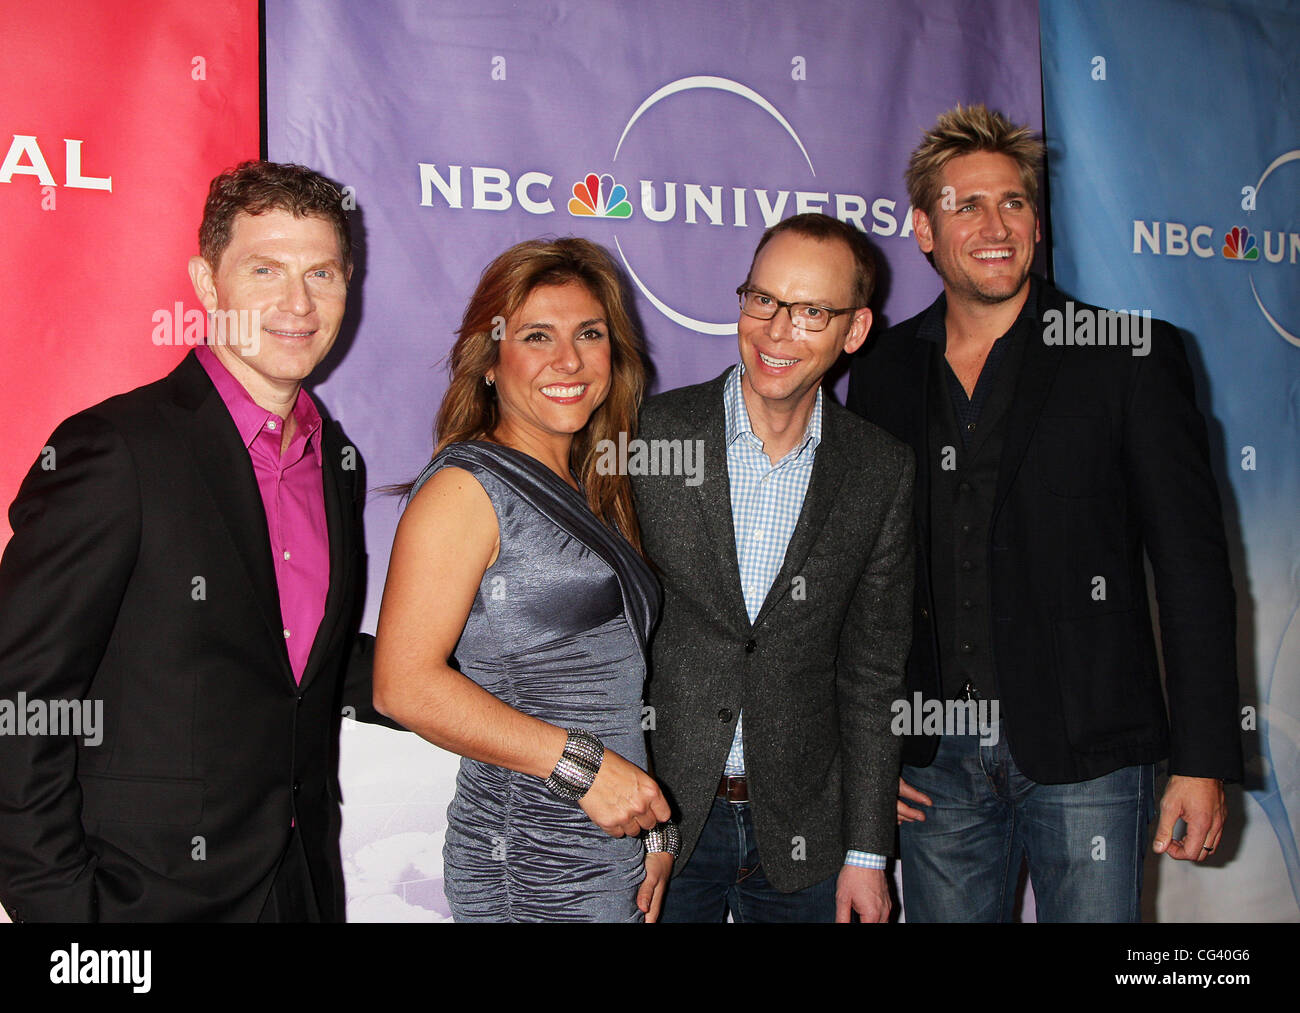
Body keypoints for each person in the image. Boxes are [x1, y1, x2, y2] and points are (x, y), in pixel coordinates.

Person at [846, 104, 1241, 922]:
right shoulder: (881, 371)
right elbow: (859, 575)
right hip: (932, 759)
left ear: (1037, 221)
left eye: (1014, 202)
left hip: (1092, 751)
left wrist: (1202, 758)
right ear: (923, 228)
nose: (996, 226)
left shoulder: (1128, 357)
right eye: (967, 205)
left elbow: (1193, 569)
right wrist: (868, 754)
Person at [0, 160, 395, 922]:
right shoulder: (116, 451)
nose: (298, 303)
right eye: (265, 269)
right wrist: (65, 915)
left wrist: (488, 675)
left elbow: (303, 661)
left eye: (321, 273)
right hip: (141, 901)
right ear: (207, 285)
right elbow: (21, 699)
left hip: (301, 890)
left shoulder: (335, 460)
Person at [373, 237, 676, 922]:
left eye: (589, 334)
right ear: (488, 360)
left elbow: (614, 683)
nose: (568, 360)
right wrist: (584, 768)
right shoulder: (465, 489)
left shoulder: (595, 486)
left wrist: (653, 825)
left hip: (607, 848)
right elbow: (402, 685)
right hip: (528, 859)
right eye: (537, 335)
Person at [632, 213, 915, 922]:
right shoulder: (648, 437)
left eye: (812, 311)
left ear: (855, 331)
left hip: (806, 837)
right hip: (658, 824)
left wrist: (868, 852)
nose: (777, 330)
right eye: (763, 299)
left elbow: (873, 672)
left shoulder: (880, 470)